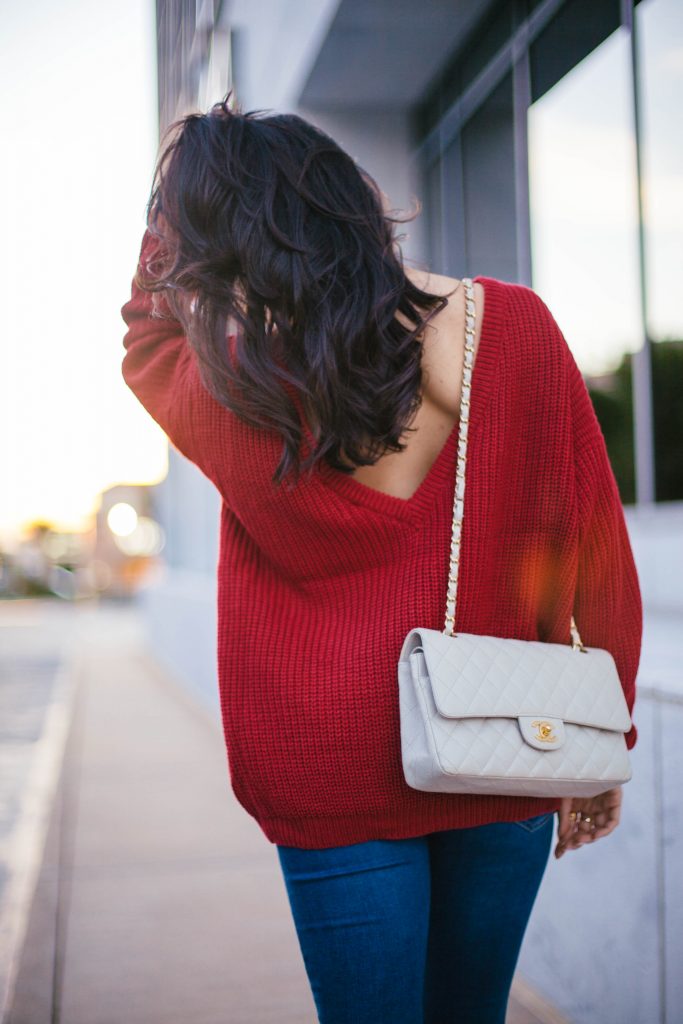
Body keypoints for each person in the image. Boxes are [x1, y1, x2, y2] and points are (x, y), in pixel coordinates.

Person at [119, 91, 642, 1024]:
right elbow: (596, 550)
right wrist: (606, 744)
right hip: (507, 745)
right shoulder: (515, 330)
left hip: (329, 778)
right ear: (355, 203)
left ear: (230, 243)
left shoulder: (241, 394)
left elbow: (144, 329)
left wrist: (176, 197)